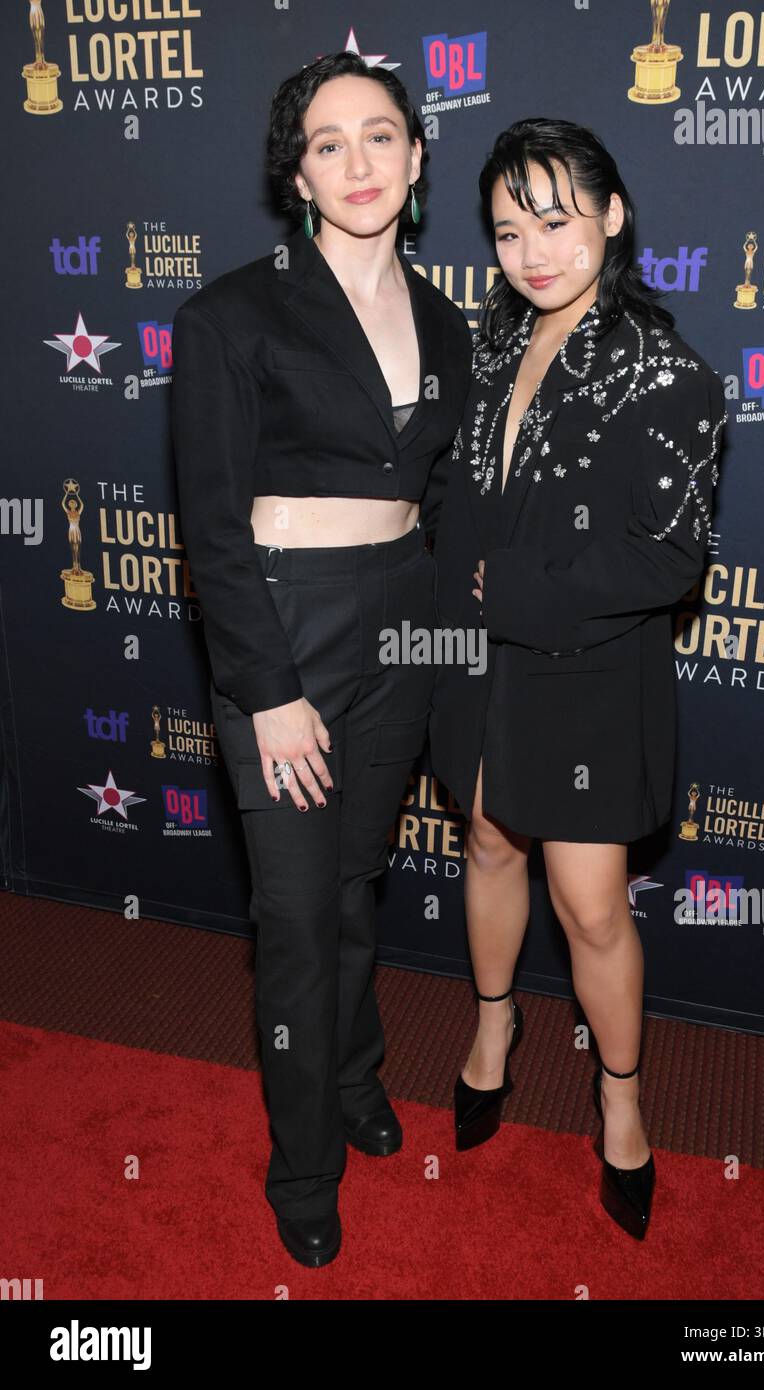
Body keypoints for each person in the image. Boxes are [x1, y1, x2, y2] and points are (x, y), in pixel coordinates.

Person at [170, 51, 472, 1268]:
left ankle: (354, 1078)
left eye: (381, 136)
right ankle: (303, 1161)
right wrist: (270, 690)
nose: (359, 162)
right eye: (329, 142)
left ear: (415, 153)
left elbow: (440, 504)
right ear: (294, 170)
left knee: (354, 885)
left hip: (398, 620)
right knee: (295, 915)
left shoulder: (447, 317)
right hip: (284, 626)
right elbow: (210, 530)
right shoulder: (230, 313)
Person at [428, 118, 727, 1240]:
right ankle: (494, 1027)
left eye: (554, 221)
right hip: (474, 664)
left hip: (589, 673)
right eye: (507, 230)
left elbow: (667, 556)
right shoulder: (490, 347)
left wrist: (500, 590)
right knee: (488, 841)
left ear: (612, 215)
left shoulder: (667, 373)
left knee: (591, 907)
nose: (531, 252)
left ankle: (620, 1098)